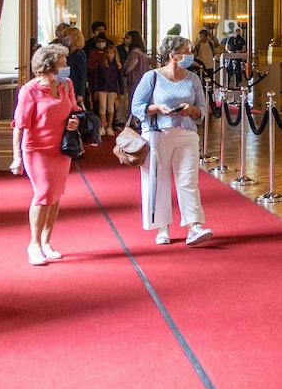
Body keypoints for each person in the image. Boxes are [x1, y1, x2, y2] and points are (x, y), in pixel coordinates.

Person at [130, 33, 215, 247]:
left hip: (186, 133)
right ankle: (162, 226)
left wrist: (191, 109)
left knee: (188, 180)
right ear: (173, 55)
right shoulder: (152, 77)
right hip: (158, 133)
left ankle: (194, 226)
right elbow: (137, 107)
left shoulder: (193, 78)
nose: (190, 55)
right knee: (158, 180)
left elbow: (203, 110)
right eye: (186, 52)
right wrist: (157, 108)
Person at [10, 43, 82, 267]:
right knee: (44, 193)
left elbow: (74, 110)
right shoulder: (29, 90)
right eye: (63, 64)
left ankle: (46, 241)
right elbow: (19, 125)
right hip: (36, 149)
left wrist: (75, 122)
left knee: (55, 194)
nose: (67, 67)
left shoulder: (66, 85)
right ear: (49, 66)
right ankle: (33, 244)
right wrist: (16, 157)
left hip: (61, 148)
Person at [88, 35, 124, 132]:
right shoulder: (101, 65)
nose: (109, 55)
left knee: (110, 107)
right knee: (102, 106)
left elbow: (120, 79)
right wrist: (95, 89)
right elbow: (97, 78)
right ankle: (103, 126)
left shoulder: (117, 66)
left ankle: (109, 126)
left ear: (114, 54)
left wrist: (121, 92)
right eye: (108, 53)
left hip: (112, 88)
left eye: (111, 53)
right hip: (101, 88)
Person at [61, 24, 90, 107]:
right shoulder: (68, 53)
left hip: (76, 87)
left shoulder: (79, 53)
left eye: (66, 36)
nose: (64, 38)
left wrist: (80, 93)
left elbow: (83, 74)